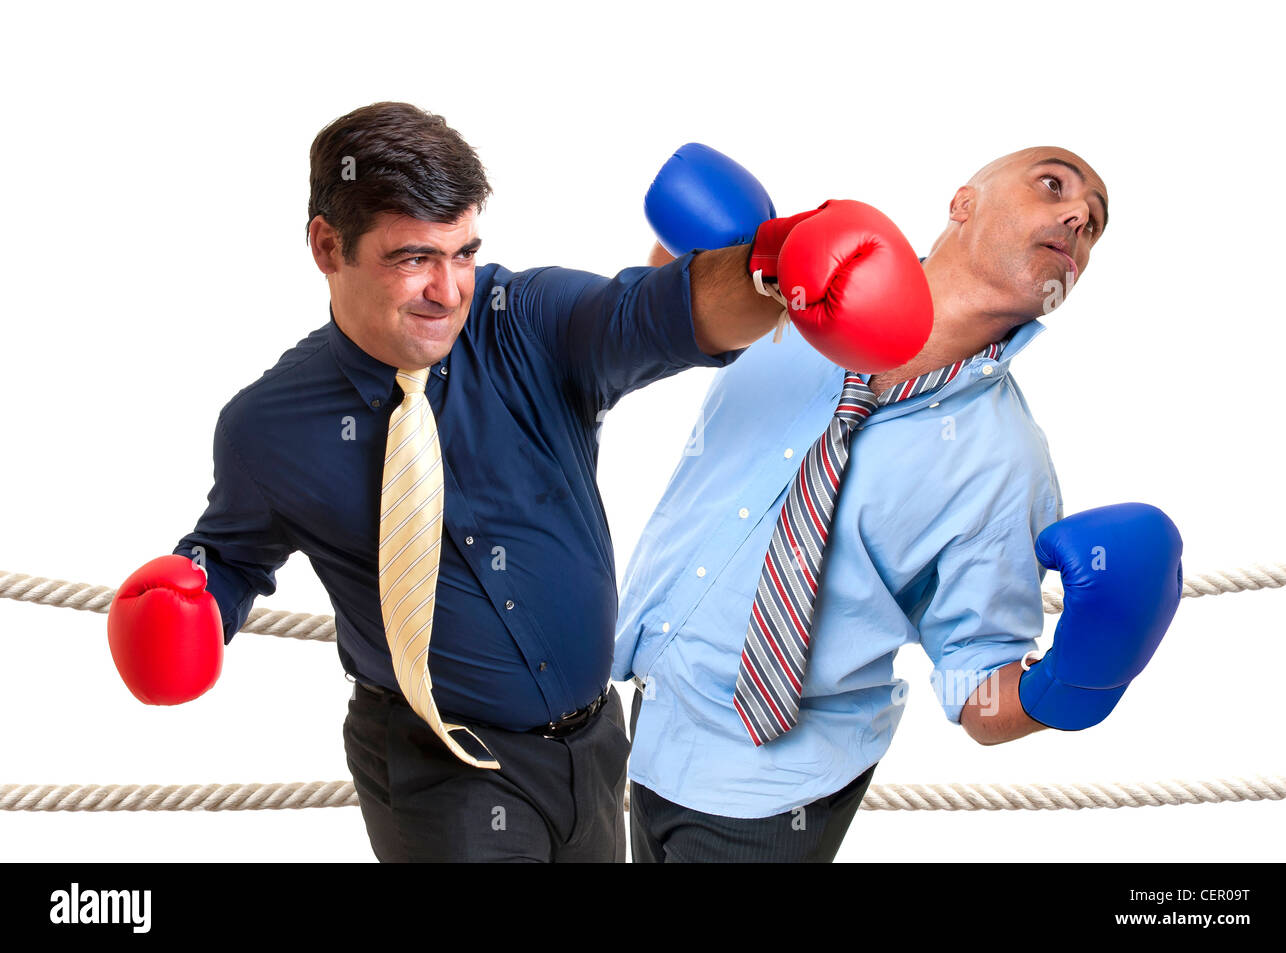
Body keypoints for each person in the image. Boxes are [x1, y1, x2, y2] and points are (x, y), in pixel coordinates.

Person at [103, 103, 932, 862]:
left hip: (595, 743)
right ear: (328, 247)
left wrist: (774, 263)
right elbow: (233, 557)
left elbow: (660, 313)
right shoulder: (268, 426)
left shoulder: (526, 320)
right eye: (414, 258)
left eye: (464, 252)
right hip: (444, 770)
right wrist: (196, 604)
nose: (448, 289)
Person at [614, 145, 1183, 862]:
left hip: (775, 787)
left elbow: (981, 687)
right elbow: (667, 293)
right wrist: (742, 247)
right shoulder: (805, 280)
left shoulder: (1005, 463)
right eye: (1053, 185)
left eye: (1094, 225)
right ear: (962, 202)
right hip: (646, 725)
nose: (1078, 216)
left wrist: (1075, 684)